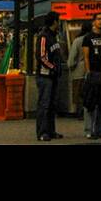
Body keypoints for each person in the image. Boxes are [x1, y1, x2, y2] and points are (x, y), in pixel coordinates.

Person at [35, 12, 63, 142]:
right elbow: (41, 56)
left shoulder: (53, 36)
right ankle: (42, 132)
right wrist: (53, 67)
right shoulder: (44, 36)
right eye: (58, 20)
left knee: (52, 105)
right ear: (55, 22)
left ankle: (50, 131)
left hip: (53, 75)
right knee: (44, 105)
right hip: (45, 75)